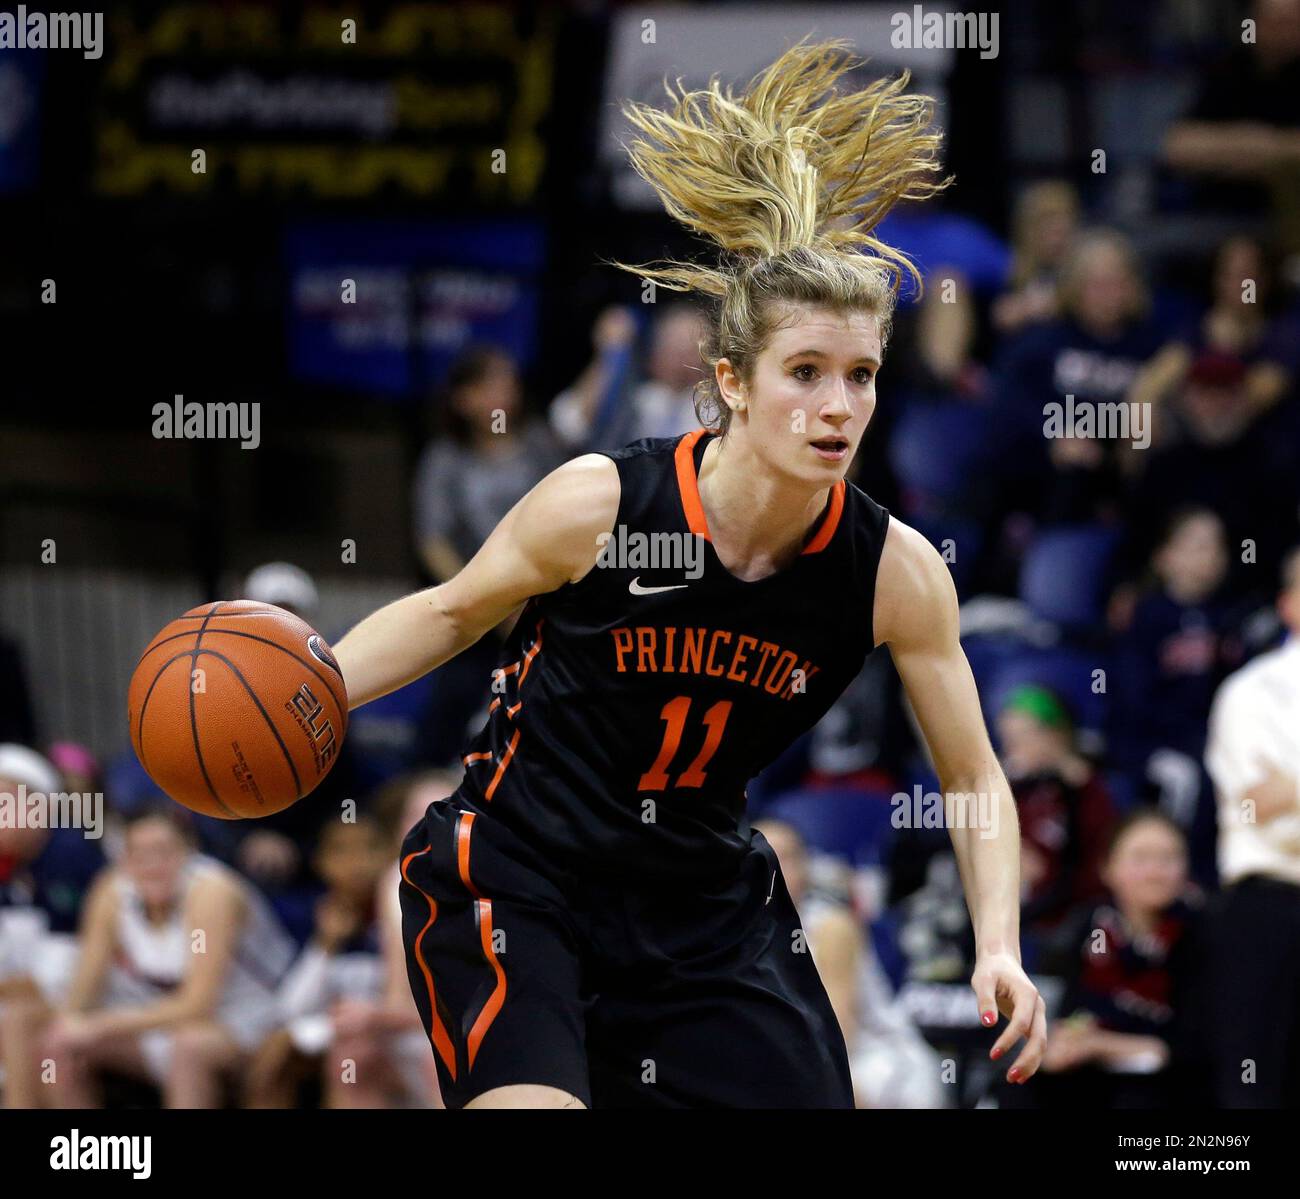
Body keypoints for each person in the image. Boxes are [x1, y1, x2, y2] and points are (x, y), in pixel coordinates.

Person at [332, 39, 1046, 1109]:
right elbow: (447, 610)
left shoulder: (893, 570)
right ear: (731, 381)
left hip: (701, 901)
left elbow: (973, 776)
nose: (837, 404)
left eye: (859, 375)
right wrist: (306, 692)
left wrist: (1000, 942)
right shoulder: (602, 502)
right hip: (522, 873)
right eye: (804, 372)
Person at [17, 805, 294, 1109]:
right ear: (124, 858)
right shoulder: (112, 890)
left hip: (245, 1022)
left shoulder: (213, 892)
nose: (152, 864)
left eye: (163, 851)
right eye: (139, 853)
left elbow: (197, 1004)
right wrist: (69, 1022)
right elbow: (85, 986)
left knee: (188, 1048)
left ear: (189, 851)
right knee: (58, 1042)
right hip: (160, 1020)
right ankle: (83, 1153)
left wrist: (99, 1025)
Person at [1005, 810, 1210, 1109]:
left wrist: (1100, 1046)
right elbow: (1069, 1013)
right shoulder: (1090, 926)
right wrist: (1060, 1044)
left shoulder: (1202, 933)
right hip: (1090, 1074)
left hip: (1168, 1082)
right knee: (1022, 1086)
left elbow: (1195, 1048)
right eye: (1140, 859)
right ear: (1108, 868)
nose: (1155, 872)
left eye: (1168, 859)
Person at [755, 818, 948, 1109]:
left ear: (805, 868)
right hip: (797, 1061)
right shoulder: (740, 933)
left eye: (785, 857)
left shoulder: (831, 925)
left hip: (876, 1060)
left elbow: (836, 1034)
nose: (773, 869)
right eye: (760, 858)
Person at [1204, 544, 1300, 1106]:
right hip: (1270, 903)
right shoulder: (1251, 691)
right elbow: (1258, 803)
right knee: (1257, 1088)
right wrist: (1281, 793)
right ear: (1288, 604)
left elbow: (1285, 793)